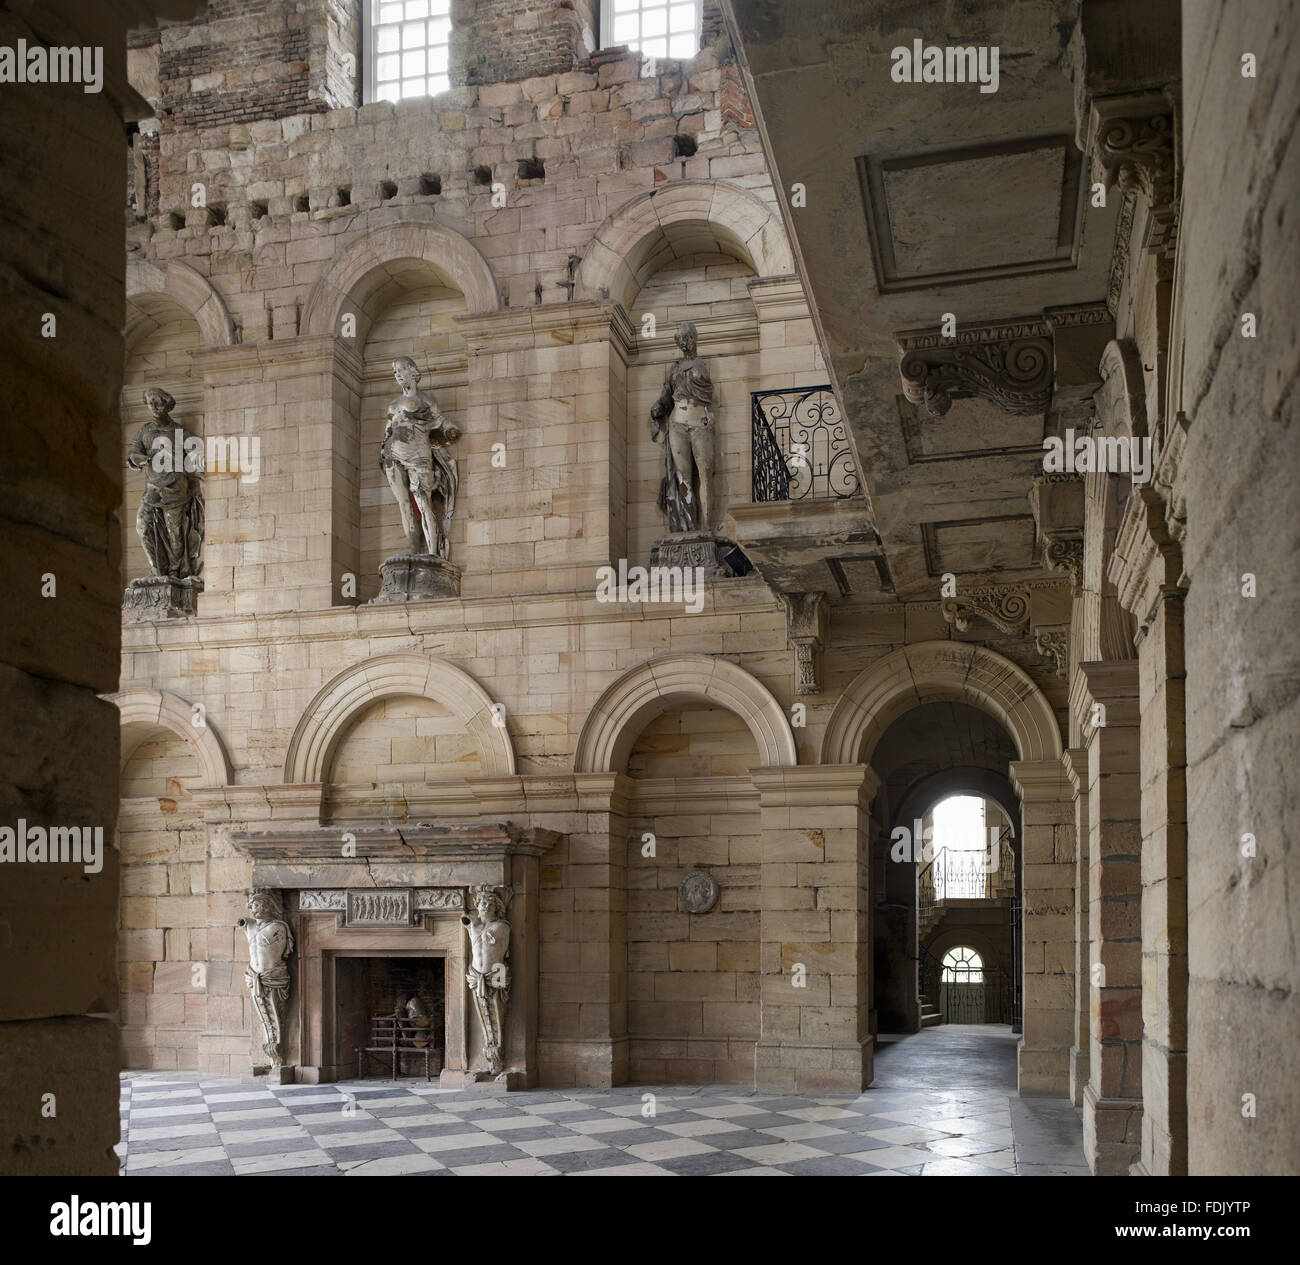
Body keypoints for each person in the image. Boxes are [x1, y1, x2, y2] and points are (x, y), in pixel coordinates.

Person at [650, 321, 716, 534]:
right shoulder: (675, 369)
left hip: (700, 421)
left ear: (694, 338)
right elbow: (666, 396)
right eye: (680, 340)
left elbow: (708, 394)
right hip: (677, 421)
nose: (684, 344)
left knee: (705, 473)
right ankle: (688, 529)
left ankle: (706, 528)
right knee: (683, 477)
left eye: (687, 338)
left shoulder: (701, 365)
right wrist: (658, 407)